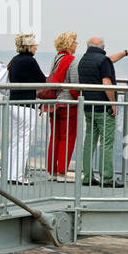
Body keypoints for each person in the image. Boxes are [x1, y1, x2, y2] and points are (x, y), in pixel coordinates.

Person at [76, 37, 128, 187]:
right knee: (107, 143)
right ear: (102, 47)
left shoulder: (84, 60)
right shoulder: (102, 61)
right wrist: (113, 104)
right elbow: (106, 82)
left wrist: (125, 53)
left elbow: (108, 60)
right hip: (103, 107)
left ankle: (87, 177)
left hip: (88, 106)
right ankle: (107, 178)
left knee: (89, 142)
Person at [5, 32, 45, 185]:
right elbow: (42, 80)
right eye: (35, 45)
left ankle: (11, 174)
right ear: (29, 46)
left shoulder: (14, 60)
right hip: (26, 105)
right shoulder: (30, 62)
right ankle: (18, 176)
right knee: (24, 141)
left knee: (15, 140)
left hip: (14, 103)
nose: (36, 48)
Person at [43, 31, 79, 180]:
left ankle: (52, 171)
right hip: (68, 103)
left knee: (55, 136)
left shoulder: (56, 59)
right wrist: (79, 98)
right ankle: (62, 172)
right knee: (67, 137)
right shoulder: (72, 61)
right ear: (70, 44)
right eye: (75, 42)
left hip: (54, 102)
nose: (76, 45)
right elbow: (75, 85)